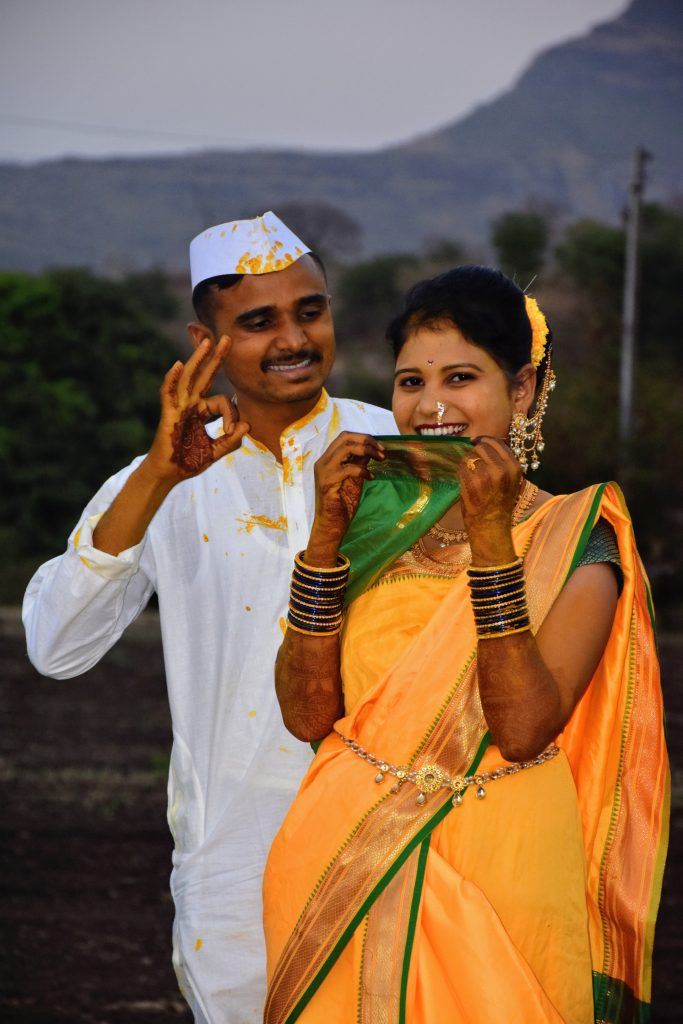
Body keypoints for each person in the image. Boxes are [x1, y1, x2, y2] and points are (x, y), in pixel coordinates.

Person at [263, 265, 669, 1023]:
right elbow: (306, 715)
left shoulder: (576, 541)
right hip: (336, 856)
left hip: (498, 863)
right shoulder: (368, 529)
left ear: (519, 391)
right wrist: (324, 537)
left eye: (460, 376)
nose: (431, 404)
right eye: (409, 381)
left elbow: (519, 729)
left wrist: (491, 540)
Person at [22, 211, 396, 1023]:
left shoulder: (395, 445)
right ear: (206, 341)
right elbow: (55, 647)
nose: (293, 338)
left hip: (395, 839)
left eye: (310, 310)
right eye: (257, 322)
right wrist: (157, 479)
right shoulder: (161, 475)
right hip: (235, 860)